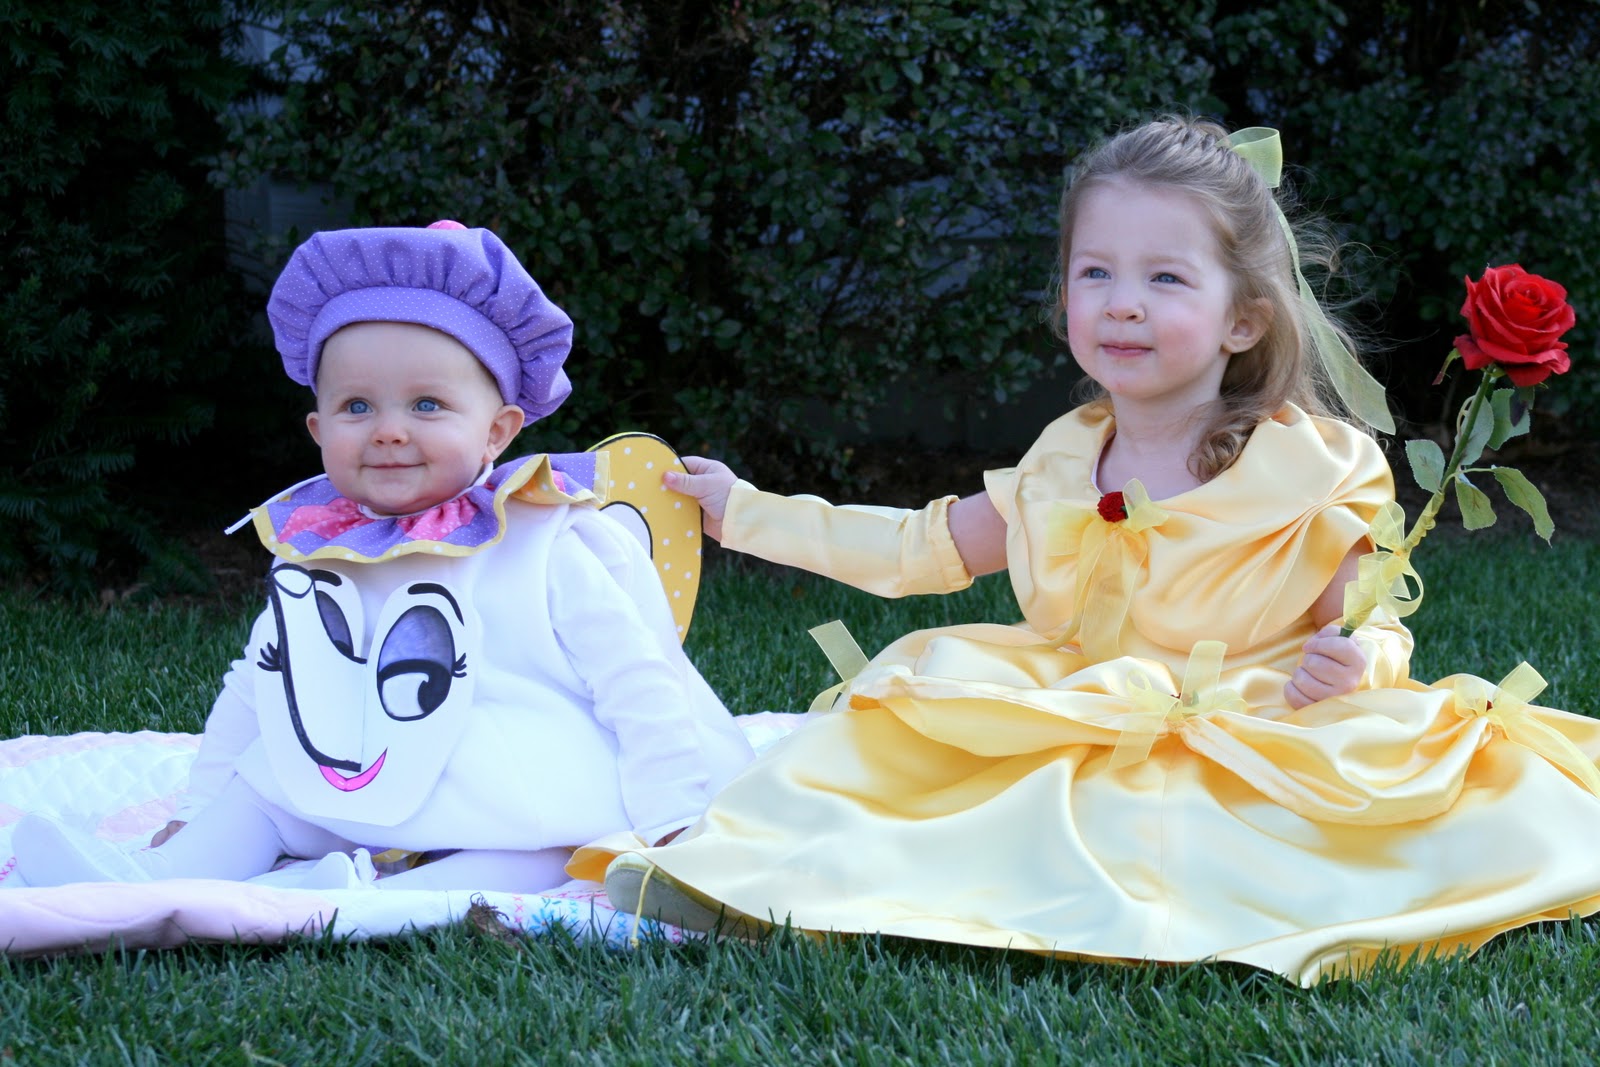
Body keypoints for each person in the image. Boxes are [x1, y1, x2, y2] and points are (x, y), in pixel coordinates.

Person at [585, 118, 1600, 984]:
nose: (1122, 301)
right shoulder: (1062, 461)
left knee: (1296, 821)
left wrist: (1358, 655)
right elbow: (920, 548)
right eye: (1095, 272)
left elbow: (1363, 600)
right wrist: (749, 512)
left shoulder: (1303, 464)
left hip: (1248, 705)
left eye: (1164, 277)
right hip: (1074, 694)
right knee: (892, 758)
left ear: (1243, 317)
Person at [13, 221, 752, 893]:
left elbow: (636, 678)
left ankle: (371, 899)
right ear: (316, 427)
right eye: (356, 407)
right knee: (262, 794)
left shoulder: (541, 537)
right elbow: (261, 684)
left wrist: (673, 816)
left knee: (545, 851)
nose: (389, 431)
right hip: (358, 759)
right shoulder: (316, 542)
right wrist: (197, 810)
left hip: (504, 770)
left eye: (427, 405)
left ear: (497, 431)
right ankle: (161, 874)